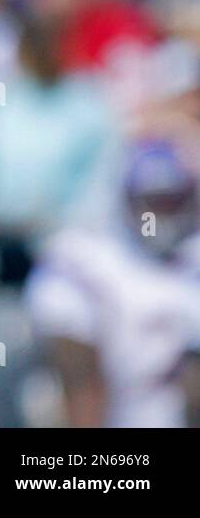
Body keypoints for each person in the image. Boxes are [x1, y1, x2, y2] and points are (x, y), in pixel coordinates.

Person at [25, 138, 200, 427]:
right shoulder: (88, 259)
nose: (162, 215)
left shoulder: (193, 258)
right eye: (154, 203)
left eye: (172, 202)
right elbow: (77, 374)